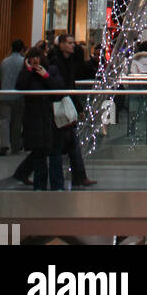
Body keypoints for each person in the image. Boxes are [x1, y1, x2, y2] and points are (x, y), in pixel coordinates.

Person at [47, 34, 96, 188]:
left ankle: (79, 177)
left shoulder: (68, 63)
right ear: (61, 44)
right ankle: (62, 181)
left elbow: (70, 86)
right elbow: (61, 87)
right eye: (69, 43)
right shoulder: (56, 63)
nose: (72, 46)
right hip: (60, 110)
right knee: (60, 147)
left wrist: (78, 107)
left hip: (66, 107)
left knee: (72, 145)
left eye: (73, 43)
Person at [17, 46, 64, 191]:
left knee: (54, 153)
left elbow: (59, 91)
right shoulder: (26, 74)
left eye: (37, 57)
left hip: (51, 119)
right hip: (34, 120)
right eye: (32, 57)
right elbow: (20, 87)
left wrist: (46, 76)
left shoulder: (51, 70)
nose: (35, 60)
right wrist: (29, 72)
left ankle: (57, 186)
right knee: (38, 155)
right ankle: (39, 186)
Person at [0, 38, 25, 155]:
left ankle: (4, 145)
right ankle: (15, 145)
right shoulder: (23, 62)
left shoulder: (4, 61)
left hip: (4, 94)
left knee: (4, 120)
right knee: (16, 122)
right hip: (18, 95)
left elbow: (1, 75)